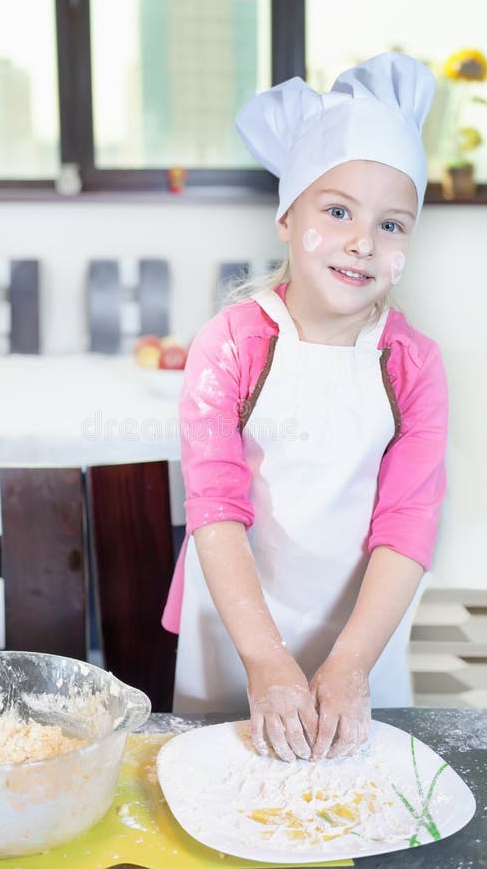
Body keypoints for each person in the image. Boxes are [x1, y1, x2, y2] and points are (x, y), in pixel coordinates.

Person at [162, 53, 448, 763]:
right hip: (238, 623)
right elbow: (216, 508)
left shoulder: (414, 365)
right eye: (339, 211)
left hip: (364, 623)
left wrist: (350, 664)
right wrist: (263, 660)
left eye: (393, 224)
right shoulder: (228, 345)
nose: (363, 242)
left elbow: (408, 525)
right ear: (288, 218)